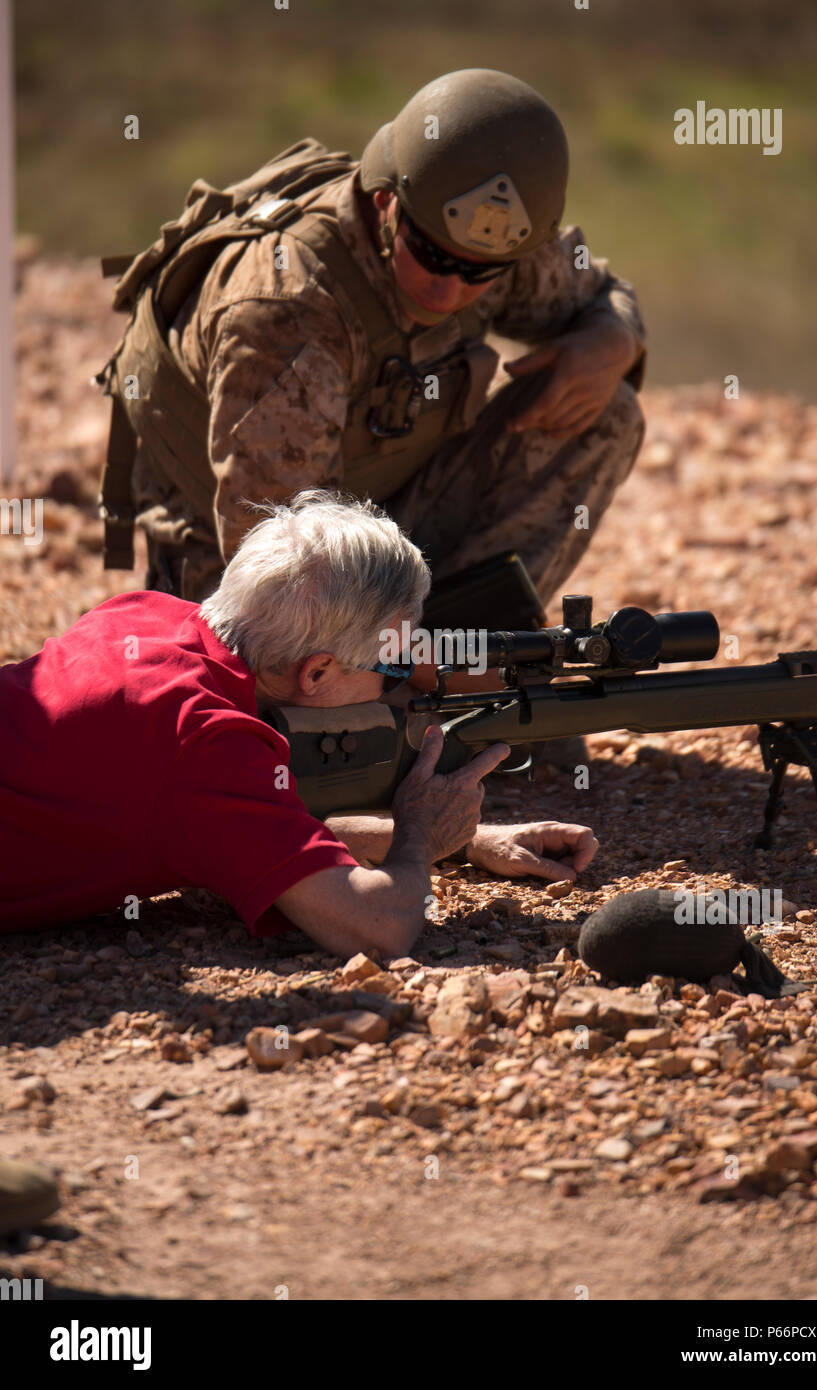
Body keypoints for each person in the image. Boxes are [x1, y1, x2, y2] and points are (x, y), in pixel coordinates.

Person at [97, 68, 646, 654]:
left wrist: (610, 341)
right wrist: (381, 677)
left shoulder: (488, 238)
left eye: (478, 274)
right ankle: (418, 679)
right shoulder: (289, 313)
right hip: (248, 564)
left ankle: (463, 658)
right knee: (296, 698)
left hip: (378, 518)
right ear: (388, 203)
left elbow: (603, 295)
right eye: (432, 256)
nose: (448, 291)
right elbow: (278, 561)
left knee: (608, 410)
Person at [1, 492, 598, 958]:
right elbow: (376, 928)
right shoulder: (205, 738)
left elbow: (267, 821)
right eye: (390, 665)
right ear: (315, 673)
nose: (399, 681)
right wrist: (418, 839)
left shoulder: (145, 614)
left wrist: (466, 839)